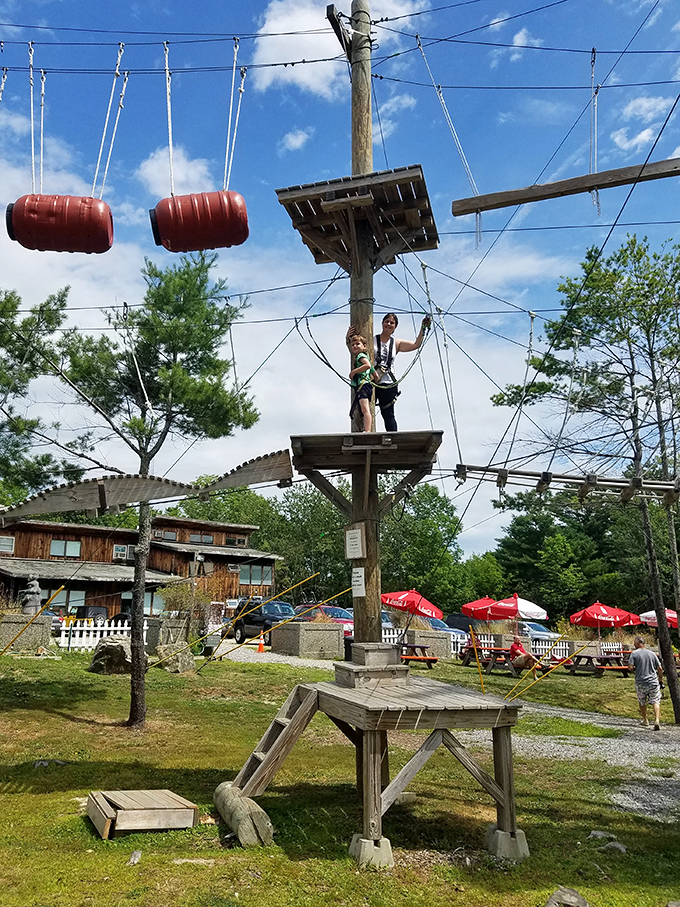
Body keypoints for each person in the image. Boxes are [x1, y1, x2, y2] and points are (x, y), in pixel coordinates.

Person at [348, 312, 431, 431]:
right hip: (370, 381)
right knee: (362, 410)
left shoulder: (396, 343)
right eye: (387, 321)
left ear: (395, 327)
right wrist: (348, 338)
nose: (389, 324)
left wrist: (423, 329)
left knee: (388, 414)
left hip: (387, 382)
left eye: (392, 323)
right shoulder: (372, 340)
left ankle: (392, 438)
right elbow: (357, 348)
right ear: (382, 323)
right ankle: (366, 434)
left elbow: (415, 345)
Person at [627, 636, 663, 730]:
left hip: (641, 682)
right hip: (653, 682)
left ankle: (645, 720)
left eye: (634, 643)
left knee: (642, 701)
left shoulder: (634, 654)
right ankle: (657, 721)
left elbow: (630, 667)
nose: (634, 644)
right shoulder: (652, 654)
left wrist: (633, 668)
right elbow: (660, 668)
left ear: (638, 643)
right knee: (656, 701)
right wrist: (660, 679)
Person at [347, 333, 376, 433]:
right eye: (353, 344)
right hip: (367, 385)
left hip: (363, 385)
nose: (354, 346)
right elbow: (374, 373)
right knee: (364, 409)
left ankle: (367, 430)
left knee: (365, 409)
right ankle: (367, 429)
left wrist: (354, 372)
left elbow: (367, 366)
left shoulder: (360, 356)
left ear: (364, 346)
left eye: (357, 344)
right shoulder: (366, 356)